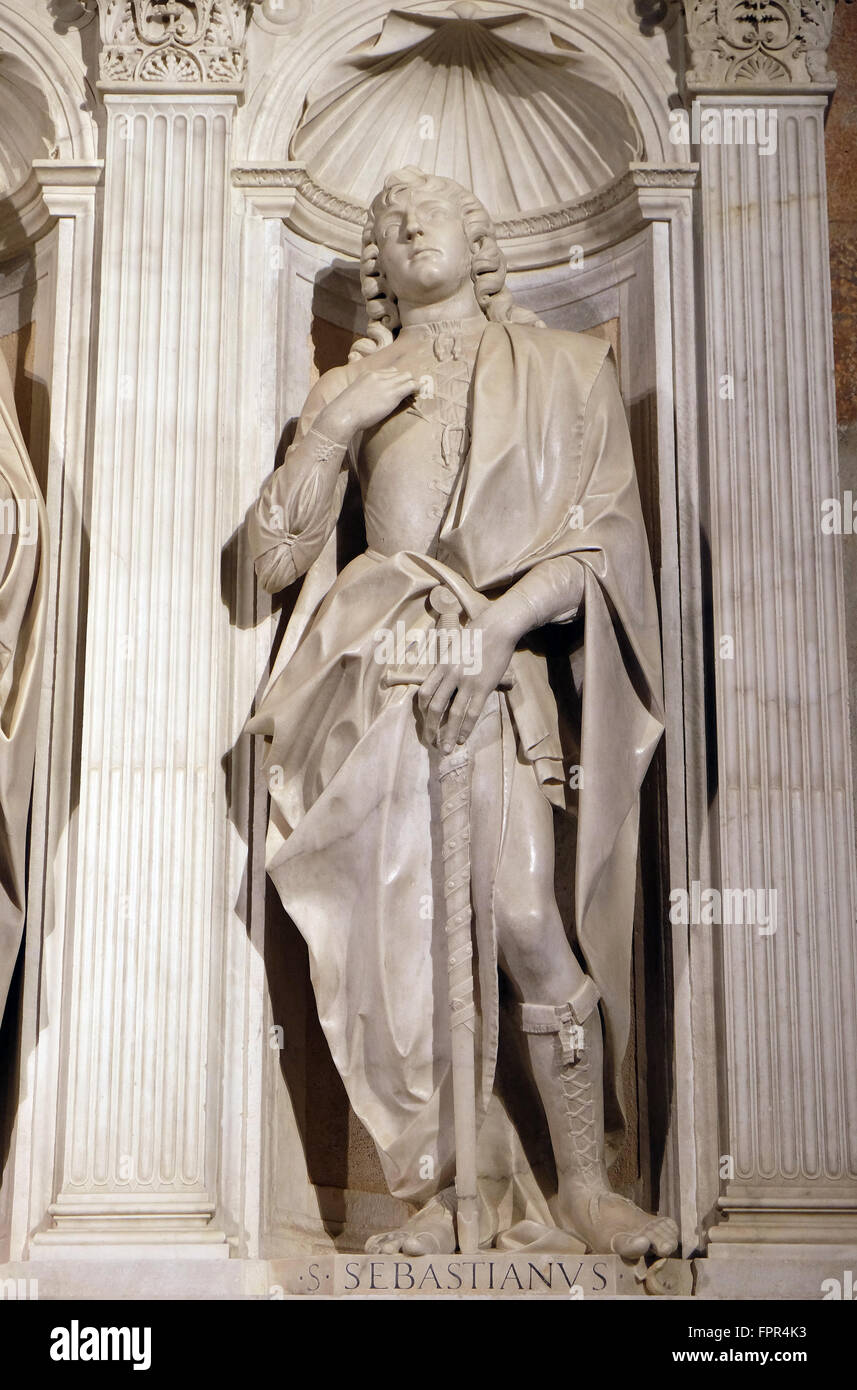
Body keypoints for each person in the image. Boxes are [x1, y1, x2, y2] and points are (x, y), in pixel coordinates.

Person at [248, 167, 677, 1260]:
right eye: (387, 221)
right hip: (372, 678)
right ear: (376, 268)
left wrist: (500, 626)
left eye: (429, 208)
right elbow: (271, 561)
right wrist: (336, 425)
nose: (406, 224)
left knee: (525, 917)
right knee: (401, 953)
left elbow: (605, 545)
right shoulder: (350, 383)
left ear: (481, 243)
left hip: (495, 668)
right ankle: (443, 1194)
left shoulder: (565, 368)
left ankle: (585, 1187)